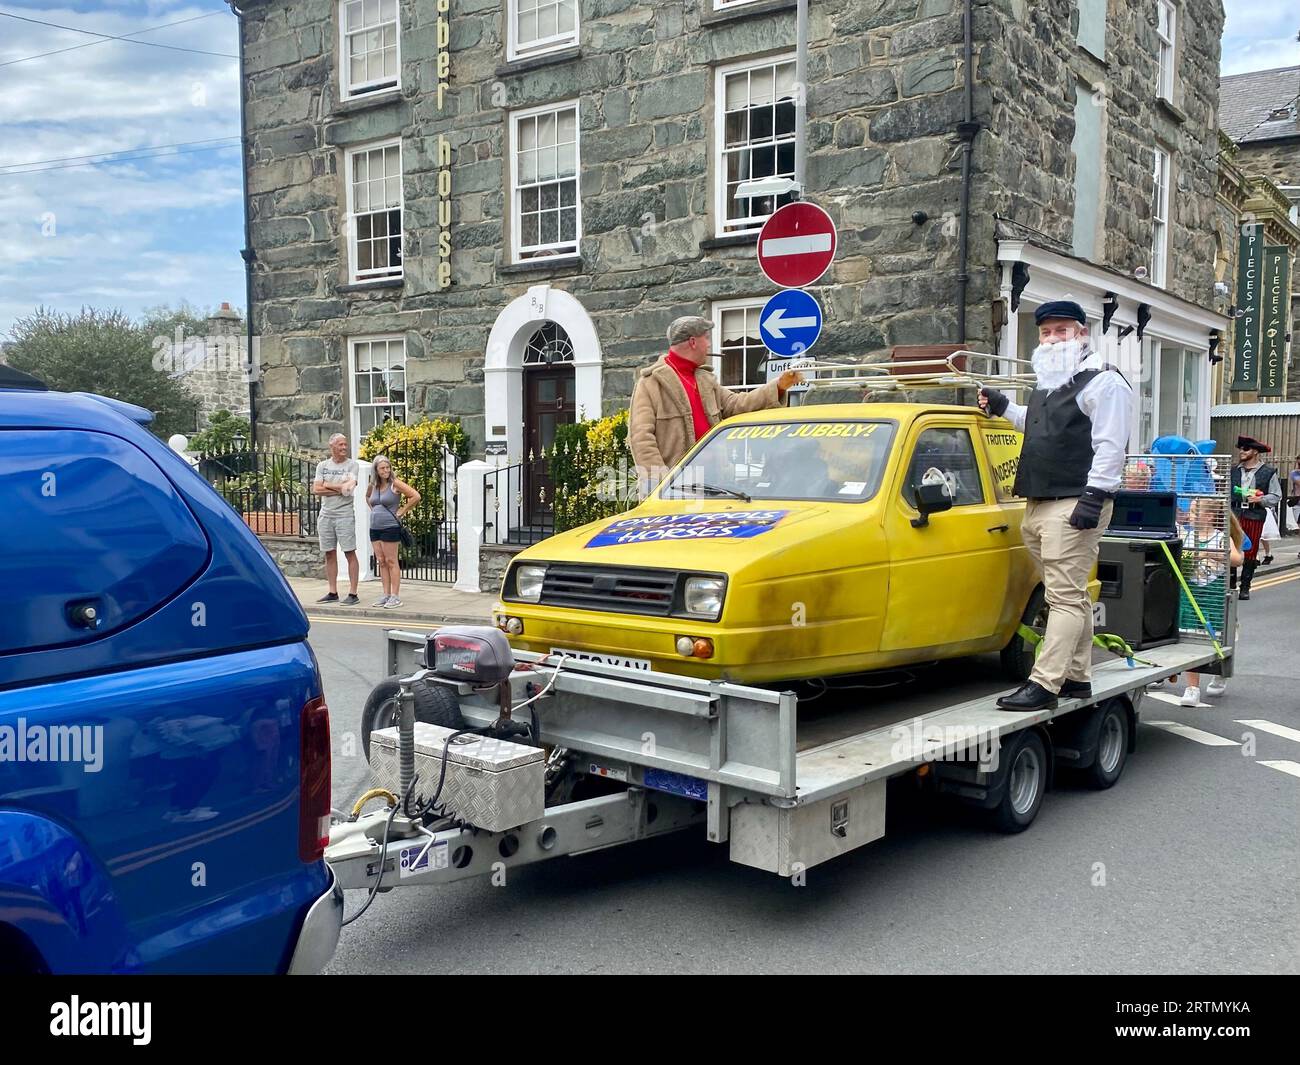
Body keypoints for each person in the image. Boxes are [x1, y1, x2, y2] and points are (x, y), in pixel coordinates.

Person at [979, 299, 1133, 711]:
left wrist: (1094, 496)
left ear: (1082, 333)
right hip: (1040, 502)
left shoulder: (1104, 382)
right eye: (1046, 332)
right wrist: (1004, 408)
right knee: (1072, 596)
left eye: (1062, 331)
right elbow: (1040, 425)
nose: (1051, 339)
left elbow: (1110, 446)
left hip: (1074, 502)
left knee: (1062, 599)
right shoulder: (1052, 384)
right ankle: (1077, 678)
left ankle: (1045, 684)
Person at [629, 315, 803, 490]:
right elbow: (641, 438)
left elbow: (737, 404)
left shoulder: (705, 379)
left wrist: (779, 387)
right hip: (674, 488)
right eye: (706, 338)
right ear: (693, 342)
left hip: (715, 485)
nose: (709, 345)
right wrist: (662, 485)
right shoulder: (650, 383)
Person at [1173, 500, 1244, 706]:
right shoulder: (1185, 535)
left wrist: (1209, 553)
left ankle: (1220, 674)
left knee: (1218, 639)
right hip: (1190, 595)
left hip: (1213, 596)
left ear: (1210, 516)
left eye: (1196, 512)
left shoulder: (1221, 537)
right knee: (1189, 641)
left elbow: (1237, 559)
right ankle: (1192, 688)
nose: (1191, 515)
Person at [366, 454, 420, 609]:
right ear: (376, 470)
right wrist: (375, 511)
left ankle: (395, 596)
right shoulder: (373, 486)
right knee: (381, 561)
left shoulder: (394, 484)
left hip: (390, 527)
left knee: (391, 561)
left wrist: (402, 511)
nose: (386, 470)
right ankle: (386, 594)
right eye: (382, 468)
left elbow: (415, 496)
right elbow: (367, 497)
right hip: (374, 527)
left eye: (388, 467)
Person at [1230, 435, 1281, 599]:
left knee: (1250, 551)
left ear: (1255, 452)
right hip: (1234, 513)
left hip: (1254, 514)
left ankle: (1245, 586)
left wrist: (1261, 499)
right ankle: (1230, 585)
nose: (1241, 452)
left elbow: (1276, 496)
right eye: (1240, 449)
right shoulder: (1233, 470)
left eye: (1245, 449)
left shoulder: (1268, 472)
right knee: (1230, 548)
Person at [313, 432, 360, 605]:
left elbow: (348, 490)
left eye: (345, 444)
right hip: (326, 515)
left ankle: (353, 593)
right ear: (331, 446)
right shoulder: (322, 465)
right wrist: (338, 487)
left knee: (349, 552)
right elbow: (316, 490)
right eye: (340, 445)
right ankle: (332, 592)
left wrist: (327, 484)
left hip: (344, 515)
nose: (344, 447)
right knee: (329, 553)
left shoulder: (352, 466)